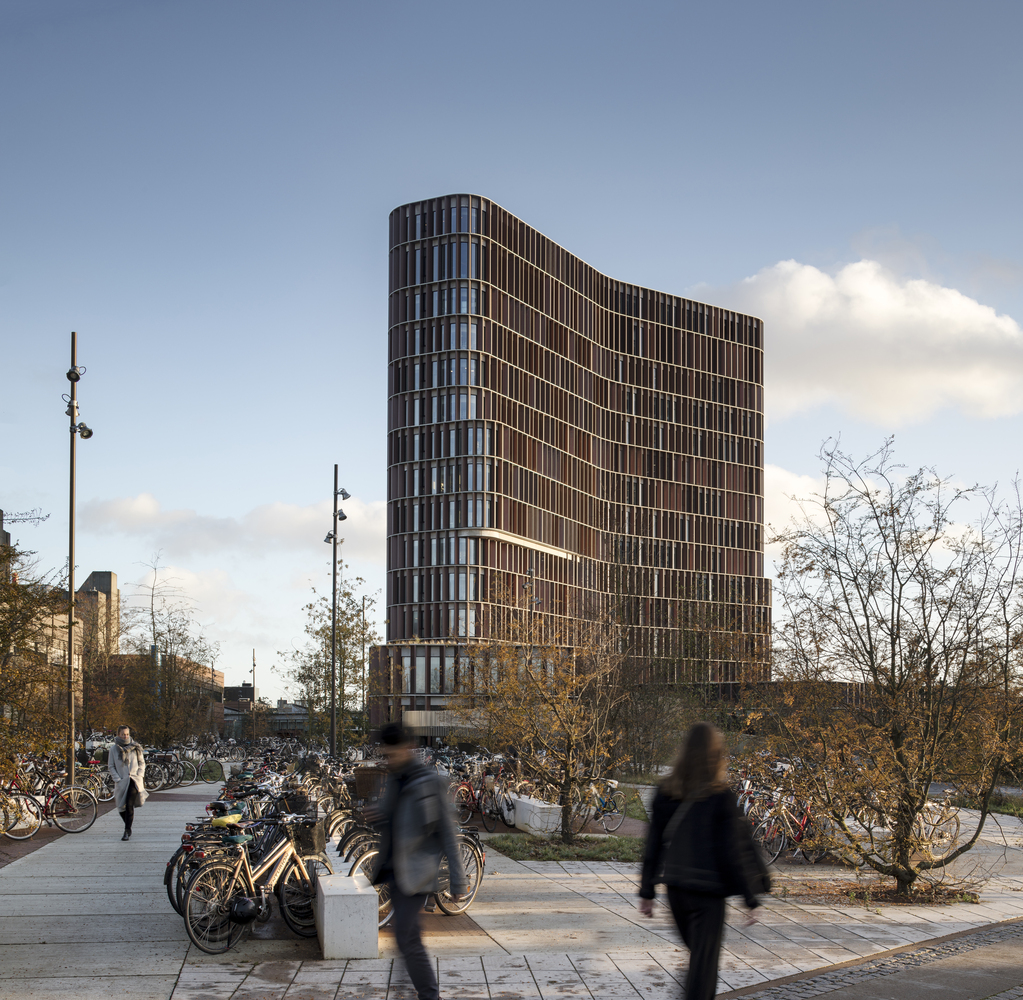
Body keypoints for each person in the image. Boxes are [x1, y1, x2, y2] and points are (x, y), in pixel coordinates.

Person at [638, 722, 769, 1000]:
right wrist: (751, 897)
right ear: (716, 755)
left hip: (677, 892)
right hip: (708, 895)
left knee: (699, 962)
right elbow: (735, 849)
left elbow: (652, 845)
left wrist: (647, 892)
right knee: (703, 966)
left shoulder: (665, 792)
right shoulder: (720, 797)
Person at [369, 723, 467, 1000]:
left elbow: (448, 833)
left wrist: (459, 880)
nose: (388, 760)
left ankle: (428, 994)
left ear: (406, 748)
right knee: (407, 938)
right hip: (393, 870)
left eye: (392, 754)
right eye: (385, 755)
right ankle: (412, 989)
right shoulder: (394, 778)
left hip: (416, 872)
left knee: (407, 939)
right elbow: (393, 818)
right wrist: (379, 814)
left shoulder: (429, 782)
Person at [109, 725, 147, 841]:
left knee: (129, 804)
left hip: (134, 780)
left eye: (127, 734)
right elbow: (111, 766)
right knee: (121, 807)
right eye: (123, 734)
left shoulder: (136, 747)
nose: (125, 736)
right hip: (121, 781)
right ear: (118, 735)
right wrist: (117, 778)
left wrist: (140, 775)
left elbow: (142, 763)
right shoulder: (114, 749)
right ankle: (128, 825)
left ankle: (126, 831)